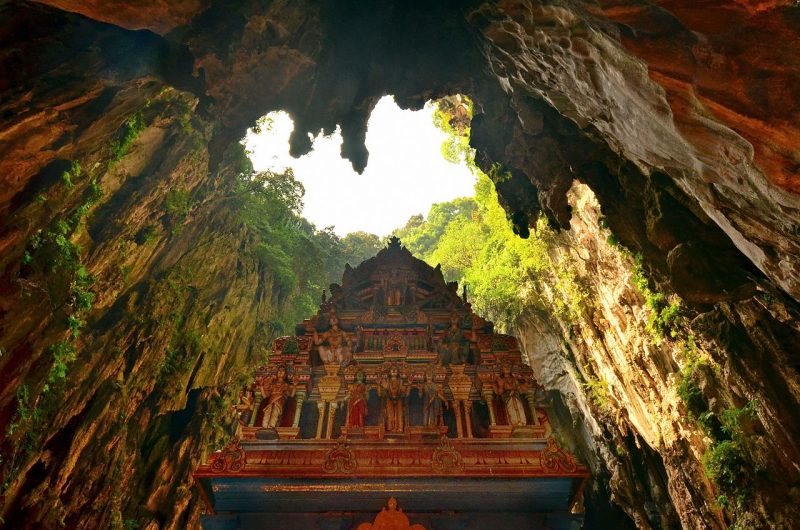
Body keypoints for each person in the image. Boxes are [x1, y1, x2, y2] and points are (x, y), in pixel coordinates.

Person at [381, 366, 407, 432]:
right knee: (390, 413)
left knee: (399, 413)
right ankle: (390, 427)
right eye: (392, 369)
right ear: (389, 372)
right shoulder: (388, 381)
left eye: (395, 369)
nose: (394, 371)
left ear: (398, 372)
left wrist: (407, 385)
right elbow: (384, 391)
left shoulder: (400, 381)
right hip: (389, 399)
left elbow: (403, 391)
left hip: (399, 399)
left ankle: (399, 428)